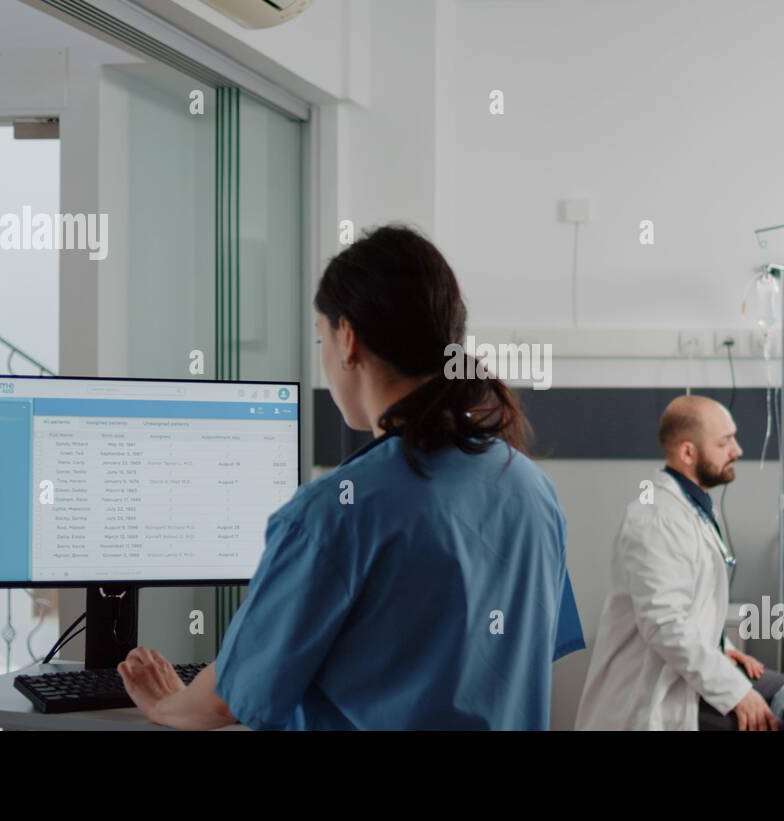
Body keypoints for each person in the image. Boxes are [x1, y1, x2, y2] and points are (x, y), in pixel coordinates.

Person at [117, 224, 585, 729]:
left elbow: (228, 699)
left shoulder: (331, 513)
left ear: (348, 339)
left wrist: (164, 702)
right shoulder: (531, 488)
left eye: (321, 337)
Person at [575, 395, 784, 731]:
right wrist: (736, 693)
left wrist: (721, 646)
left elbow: (690, 606)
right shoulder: (656, 519)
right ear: (688, 453)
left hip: (685, 673)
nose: (737, 450)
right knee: (775, 721)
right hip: (654, 694)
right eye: (725, 442)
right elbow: (665, 623)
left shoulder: (693, 508)